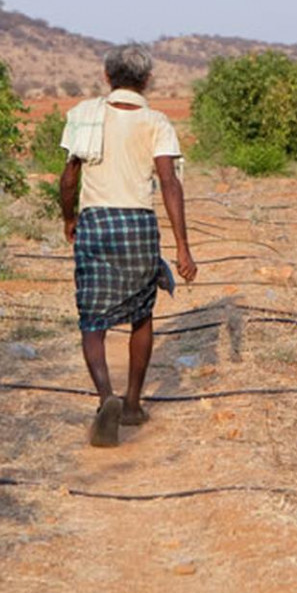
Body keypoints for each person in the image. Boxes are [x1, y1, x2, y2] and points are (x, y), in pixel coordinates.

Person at [59, 44, 197, 447]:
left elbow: (69, 178)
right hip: (138, 223)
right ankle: (133, 404)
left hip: (97, 222)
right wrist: (183, 248)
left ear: (107, 77)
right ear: (147, 80)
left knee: (92, 319)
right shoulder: (157, 122)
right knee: (141, 312)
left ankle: (106, 398)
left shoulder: (84, 115)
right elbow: (170, 184)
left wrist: (70, 218)